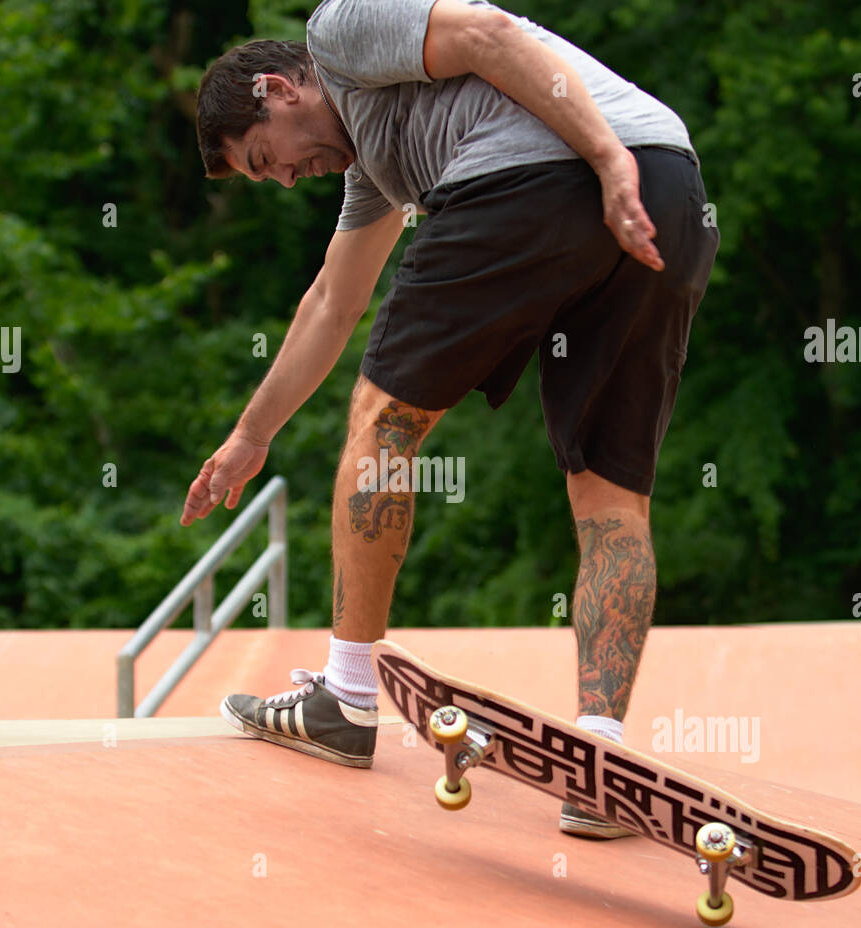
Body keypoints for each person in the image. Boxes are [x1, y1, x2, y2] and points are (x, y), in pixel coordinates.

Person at [182, 0, 718, 838]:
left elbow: (489, 34)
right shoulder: (381, 168)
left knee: (383, 423)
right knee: (612, 492)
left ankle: (347, 698)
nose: (289, 179)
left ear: (278, 88)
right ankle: (602, 759)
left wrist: (607, 161)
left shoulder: (340, 30)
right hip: (675, 191)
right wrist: (251, 435)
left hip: (561, 175)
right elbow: (332, 299)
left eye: (267, 159)